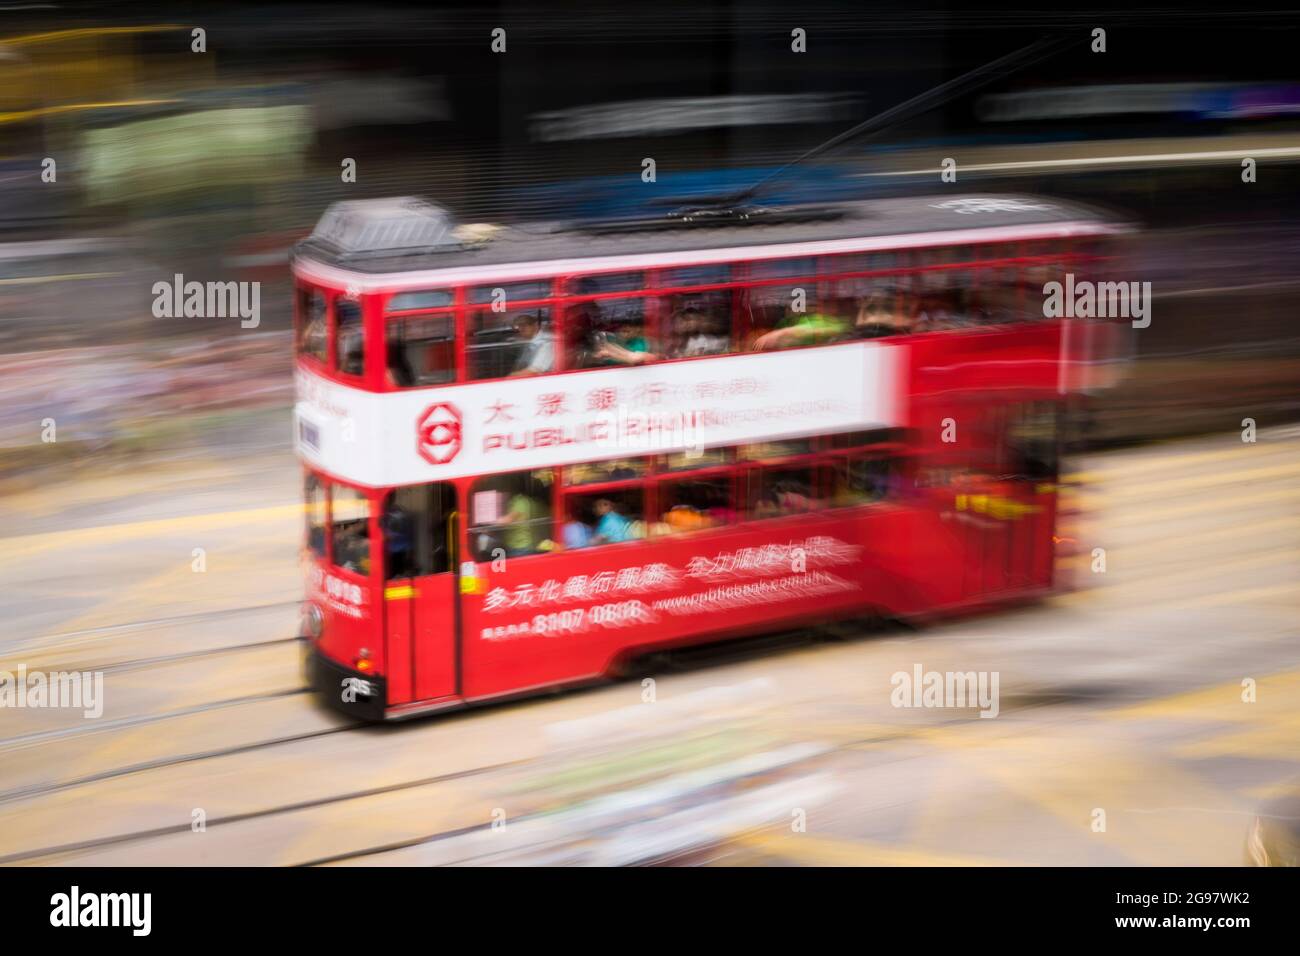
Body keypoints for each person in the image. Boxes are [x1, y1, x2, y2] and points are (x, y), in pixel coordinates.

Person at [501, 488, 550, 556]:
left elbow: (508, 520)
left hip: (520, 547)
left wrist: (488, 520)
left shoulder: (520, 501)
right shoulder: (535, 503)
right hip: (526, 545)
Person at [508, 312, 554, 376]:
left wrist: (508, 378)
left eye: (524, 325)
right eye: (518, 326)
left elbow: (534, 371)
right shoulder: (528, 341)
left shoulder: (546, 342)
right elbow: (521, 363)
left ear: (535, 325)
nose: (521, 329)